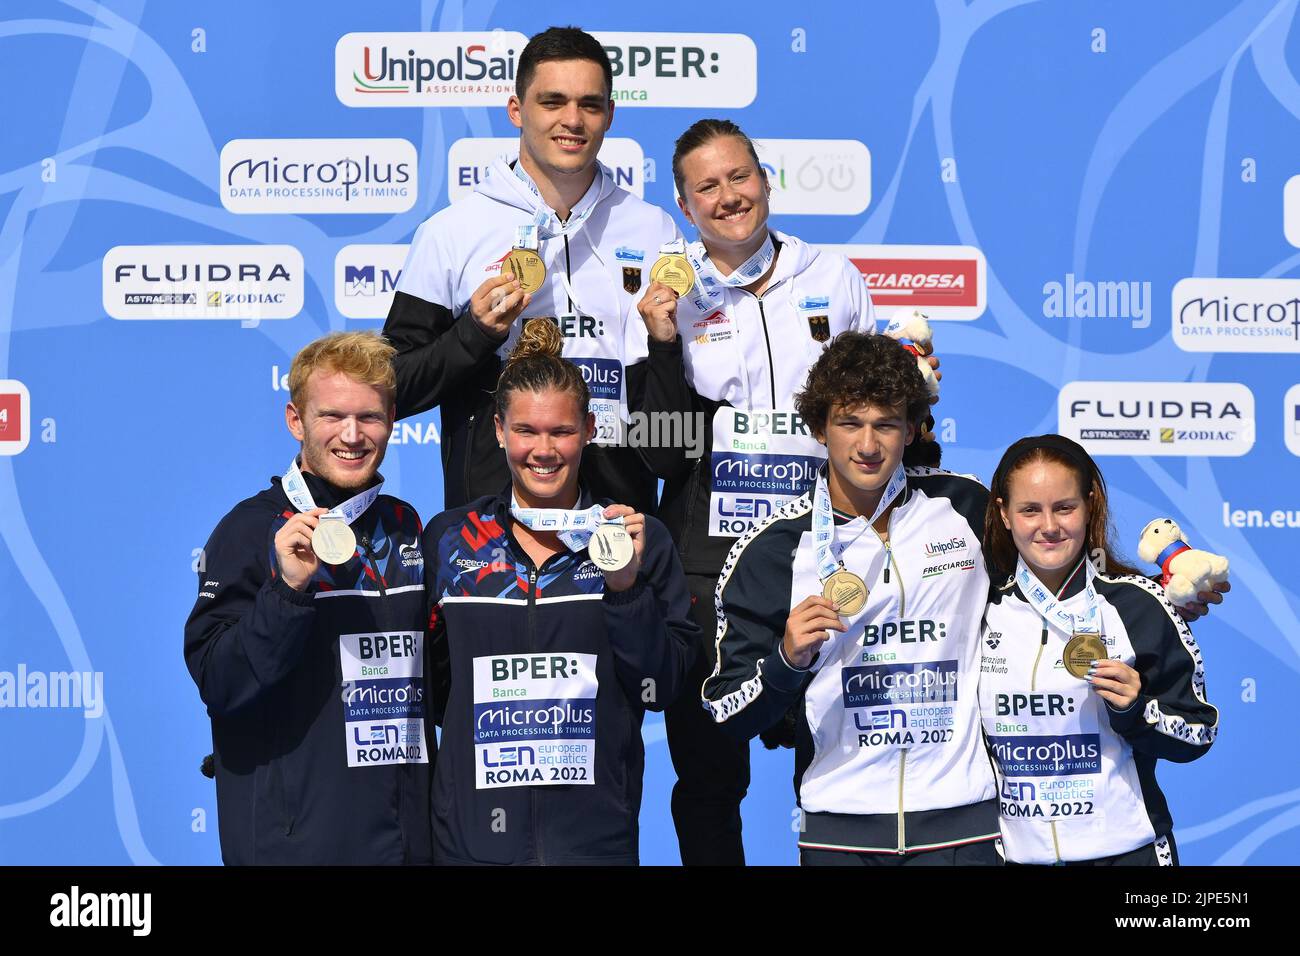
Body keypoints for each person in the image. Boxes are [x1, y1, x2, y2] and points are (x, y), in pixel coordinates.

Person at [633, 119, 918, 865]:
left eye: (740, 177)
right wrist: (662, 339)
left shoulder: (832, 275)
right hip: (708, 554)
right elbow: (662, 450)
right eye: (707, 187)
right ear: (684, 204)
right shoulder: (672, 293)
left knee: (830, 749)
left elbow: (877, 411)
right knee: (708, 766)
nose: (729, 197)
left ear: (765, 179)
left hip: (821, 547)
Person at [703, 332, 999, 865]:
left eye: (885, 423)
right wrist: (786, 662)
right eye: (850, 423)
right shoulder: (773, 549)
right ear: (819, 428)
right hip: (840, 830)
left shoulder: (966, 506)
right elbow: (726, 713)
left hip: (965, 821)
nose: (868, 445)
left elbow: (1053, 590)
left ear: (911, 429)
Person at [421, 318, 697, 865]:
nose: (542, 450)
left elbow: (658, 688)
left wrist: (624, 589)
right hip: (472, 844)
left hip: (594, 843)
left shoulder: (640, 541)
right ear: (499, 431)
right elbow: (428, 688)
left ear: (590, 429)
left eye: (561, 432)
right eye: (526, 430)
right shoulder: (450, 540)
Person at [383, 26, 676, 516]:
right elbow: (394, 389)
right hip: (488, 531)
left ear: (610, 115)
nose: (572, 120)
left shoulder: (652, 228)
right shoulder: (452, 231)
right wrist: (473, 335)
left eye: (590, 104)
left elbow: (670, 391)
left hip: (617, 523)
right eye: (553, 101)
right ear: (517, 110)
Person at [184, 332, 432, 865]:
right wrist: (287, 592)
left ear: (392, 419)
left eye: (369, 417)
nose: (352, 435)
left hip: (403, 846)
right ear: (296, 421)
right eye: (332, 416)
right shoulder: (250, 530)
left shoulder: (406, 527)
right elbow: (221, 683)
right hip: (296, 848)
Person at [978, 435, 1217, 865]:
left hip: (1128, 855)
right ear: (1004, 514)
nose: (1048, 525)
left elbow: (1200, 732)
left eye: (1064, 507)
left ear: (1089, 507)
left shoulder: (1138, 603)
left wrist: (1137, 710)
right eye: (1030, 509)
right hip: (1016, 859)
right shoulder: (979, 605)